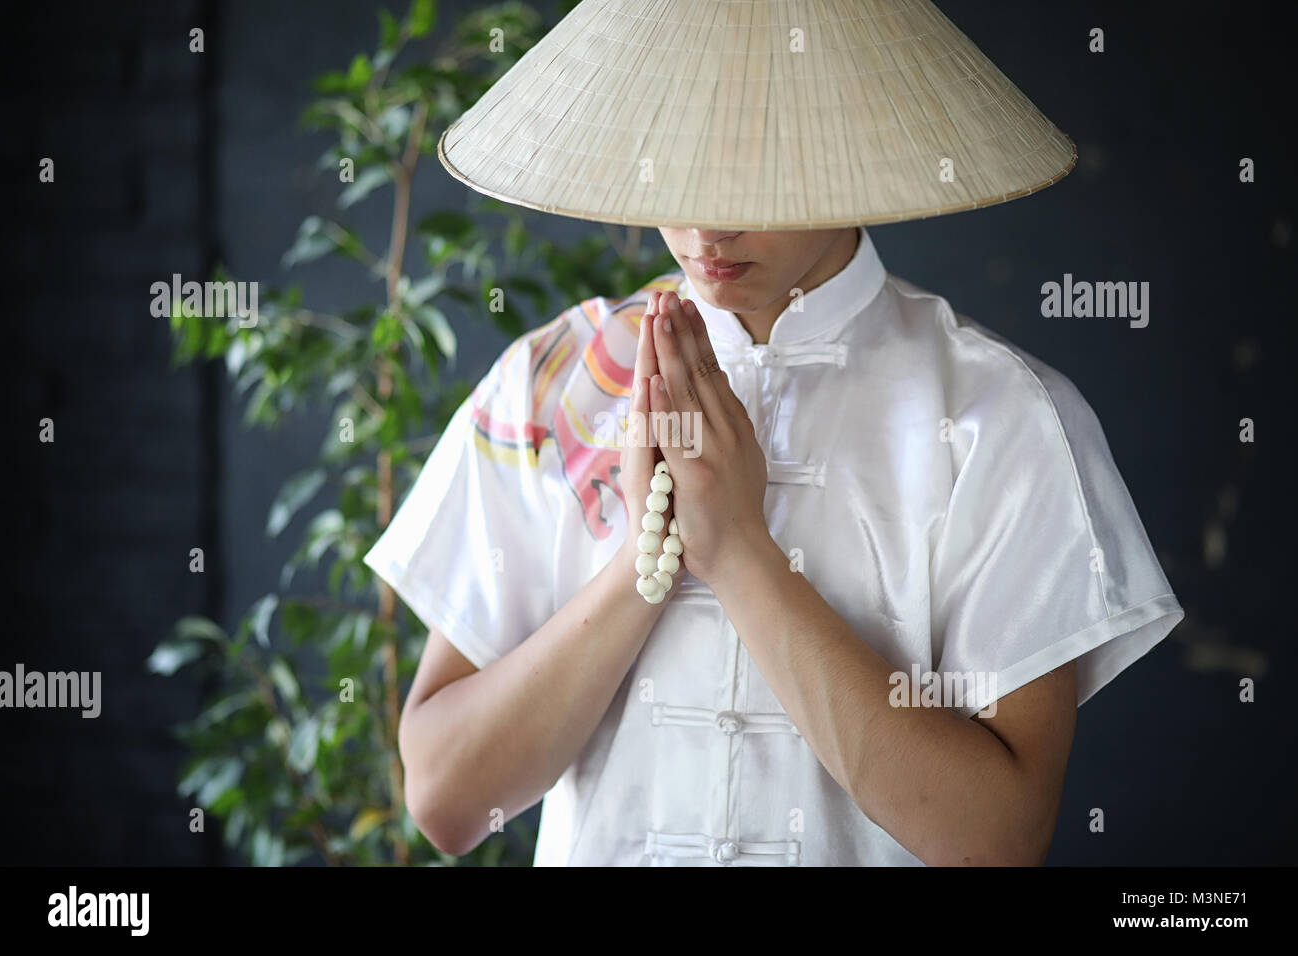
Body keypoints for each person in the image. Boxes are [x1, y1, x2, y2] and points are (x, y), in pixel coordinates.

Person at [364, 0, 1184, 865]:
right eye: (674, 162)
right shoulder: (553, 384)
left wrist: (743, 555)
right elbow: (447, 802)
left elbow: (995, 841)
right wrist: (645, 567)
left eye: (752, 164)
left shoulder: (1001, 418)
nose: (707, 226)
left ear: (848, 138)